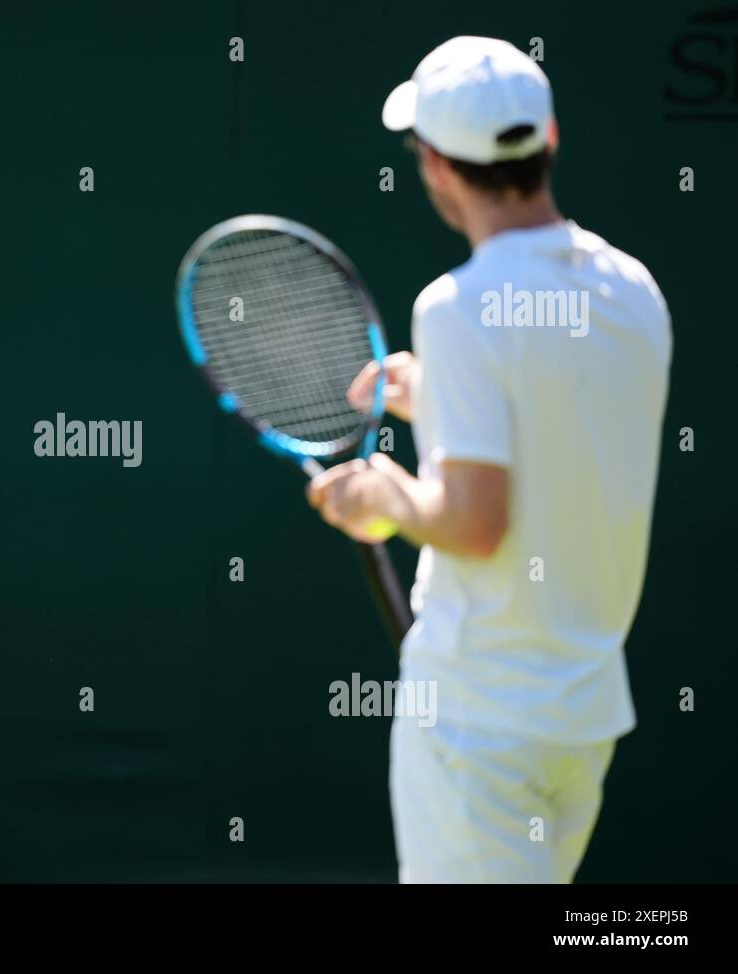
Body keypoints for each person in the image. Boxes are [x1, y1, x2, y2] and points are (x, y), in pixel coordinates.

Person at [307, 37, 672, 882]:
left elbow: (475, 522)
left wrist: (385, 493)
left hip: (479, 726)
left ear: (435, 166)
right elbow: (573, 430)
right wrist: (438, 397)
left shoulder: (457, 308)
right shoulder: (633, 291)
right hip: (579, 725)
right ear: (549, 139)